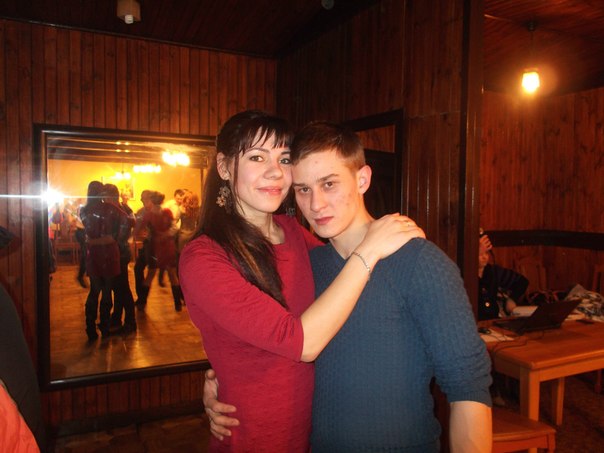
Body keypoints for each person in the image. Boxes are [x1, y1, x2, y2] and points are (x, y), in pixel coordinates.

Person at [204, 120, 493, 452]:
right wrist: (219, 376)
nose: (316, 205)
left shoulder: (420, 262)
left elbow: (468, 386)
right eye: (303, 189)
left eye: (329, 184)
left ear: (362, 179)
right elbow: (274, 339)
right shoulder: (307, 265)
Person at [178, 110, 423, 453]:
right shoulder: (204, 257)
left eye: (284, 159)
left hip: (314, 435)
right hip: (253, 439)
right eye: (257, 157)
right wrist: (370, 249)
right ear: (223, 166)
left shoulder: (293, 232)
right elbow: (301, 342)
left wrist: (397, 246)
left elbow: (342, 280)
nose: (275, 172)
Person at [79, 180, 122, 340]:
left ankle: (90, 327)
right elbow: (128, 220)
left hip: (93, 253)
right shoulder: (110, 208)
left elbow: (87, 231)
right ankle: (105, 326)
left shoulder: (83, 210)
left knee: (94, 290)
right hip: (108, 252)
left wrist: (91, 240)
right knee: (107, 291)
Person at [135, 191, 182, 311]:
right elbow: (174, 227)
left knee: (150, 274)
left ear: (152, 200)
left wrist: (141, 236)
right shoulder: (167, 212)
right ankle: (177, 304)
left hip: (155, 246)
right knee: (172, 274)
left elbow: (140, 230)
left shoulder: (149, 215)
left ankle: (142, 303)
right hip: (168, 245)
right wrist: (166, 234)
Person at [478, 233, 529, 321]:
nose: (484, 257)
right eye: (480, 254)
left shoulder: (493, 271)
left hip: (493, 321)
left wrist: (512, 299)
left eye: (486, 253)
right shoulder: (466, 274)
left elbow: (522, 281)